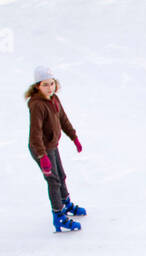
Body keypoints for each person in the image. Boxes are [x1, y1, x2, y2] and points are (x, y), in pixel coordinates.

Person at [26, 66, 85, 233]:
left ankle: (65, 203)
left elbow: (63, 119)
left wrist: (74, 137)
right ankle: (58, 215)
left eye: (52, 83)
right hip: (41, 148)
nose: (50, 88)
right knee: (53, 181)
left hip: (51, 146)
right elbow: (35, 134)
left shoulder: (54, 99)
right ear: (37, 86)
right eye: (45, 84)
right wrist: (42, 156)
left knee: (61, 176)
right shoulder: (37, 105)